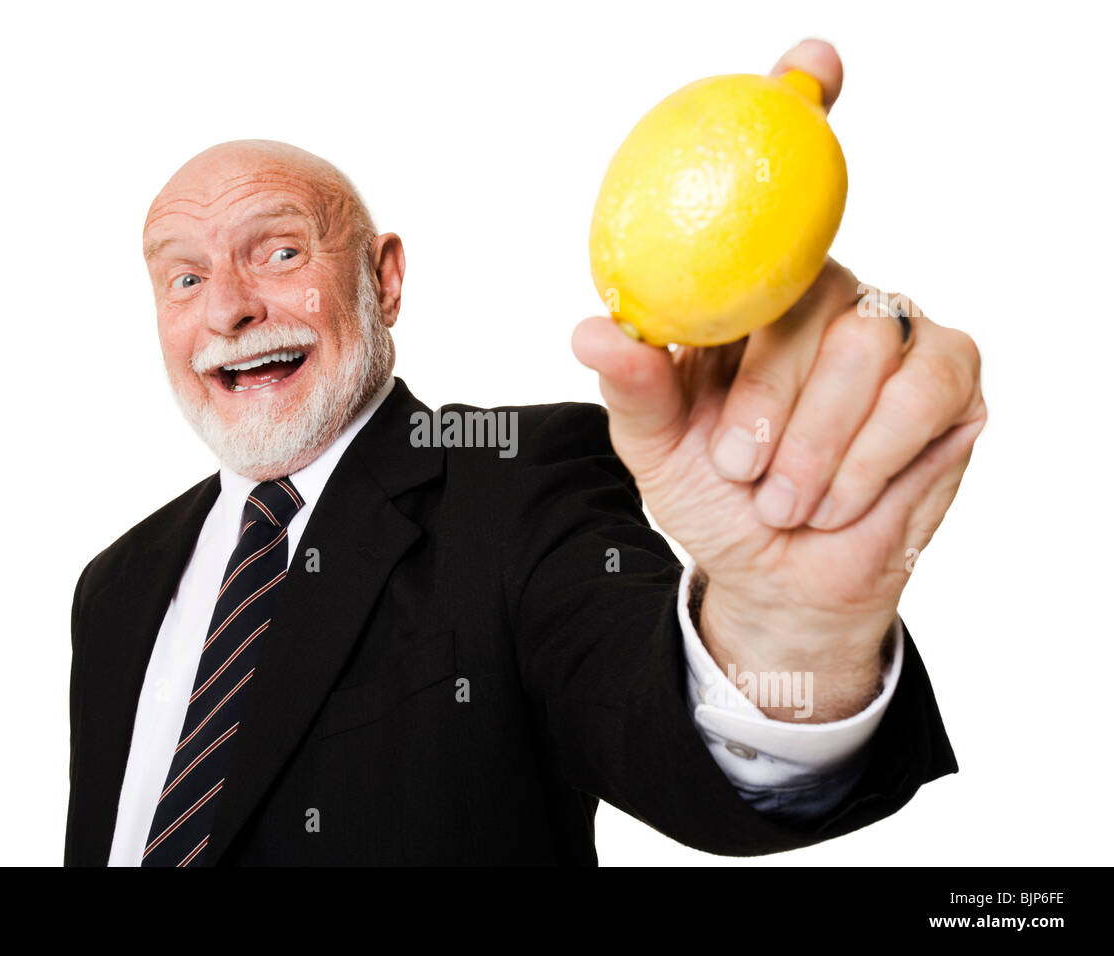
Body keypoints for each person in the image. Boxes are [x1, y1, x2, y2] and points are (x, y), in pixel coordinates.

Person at [64, 39, 986, 866]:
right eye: (184, 276)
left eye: (277, 254)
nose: (226, 308)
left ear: (383, 282)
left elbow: (648, 726)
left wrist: (788, 634)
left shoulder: (519, 482)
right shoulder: (115, 587)